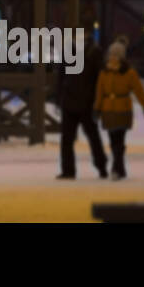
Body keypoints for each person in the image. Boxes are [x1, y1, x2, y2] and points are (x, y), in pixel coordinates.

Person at [93, 40, 144, 179]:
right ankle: (120, 168)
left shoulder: (129, 73)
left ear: (121, 57)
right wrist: (97, 109)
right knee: (114, 141)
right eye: (111, 55)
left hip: (123, 110)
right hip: (108, 110)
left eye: (116, 55)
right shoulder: (104, 73)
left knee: (118, 141)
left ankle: (116, 169)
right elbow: (99, 92)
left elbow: (139, 91)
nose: (113, 58)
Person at [55, 28, 107, 179]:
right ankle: (101, 167)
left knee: (68, 140)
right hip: (86, 102)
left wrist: (59, 97)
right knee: (92, 137)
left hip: (72, 102)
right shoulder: (95, 52)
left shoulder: (70, 51)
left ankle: (68, 171)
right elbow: (100, 78)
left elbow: (61, 76)